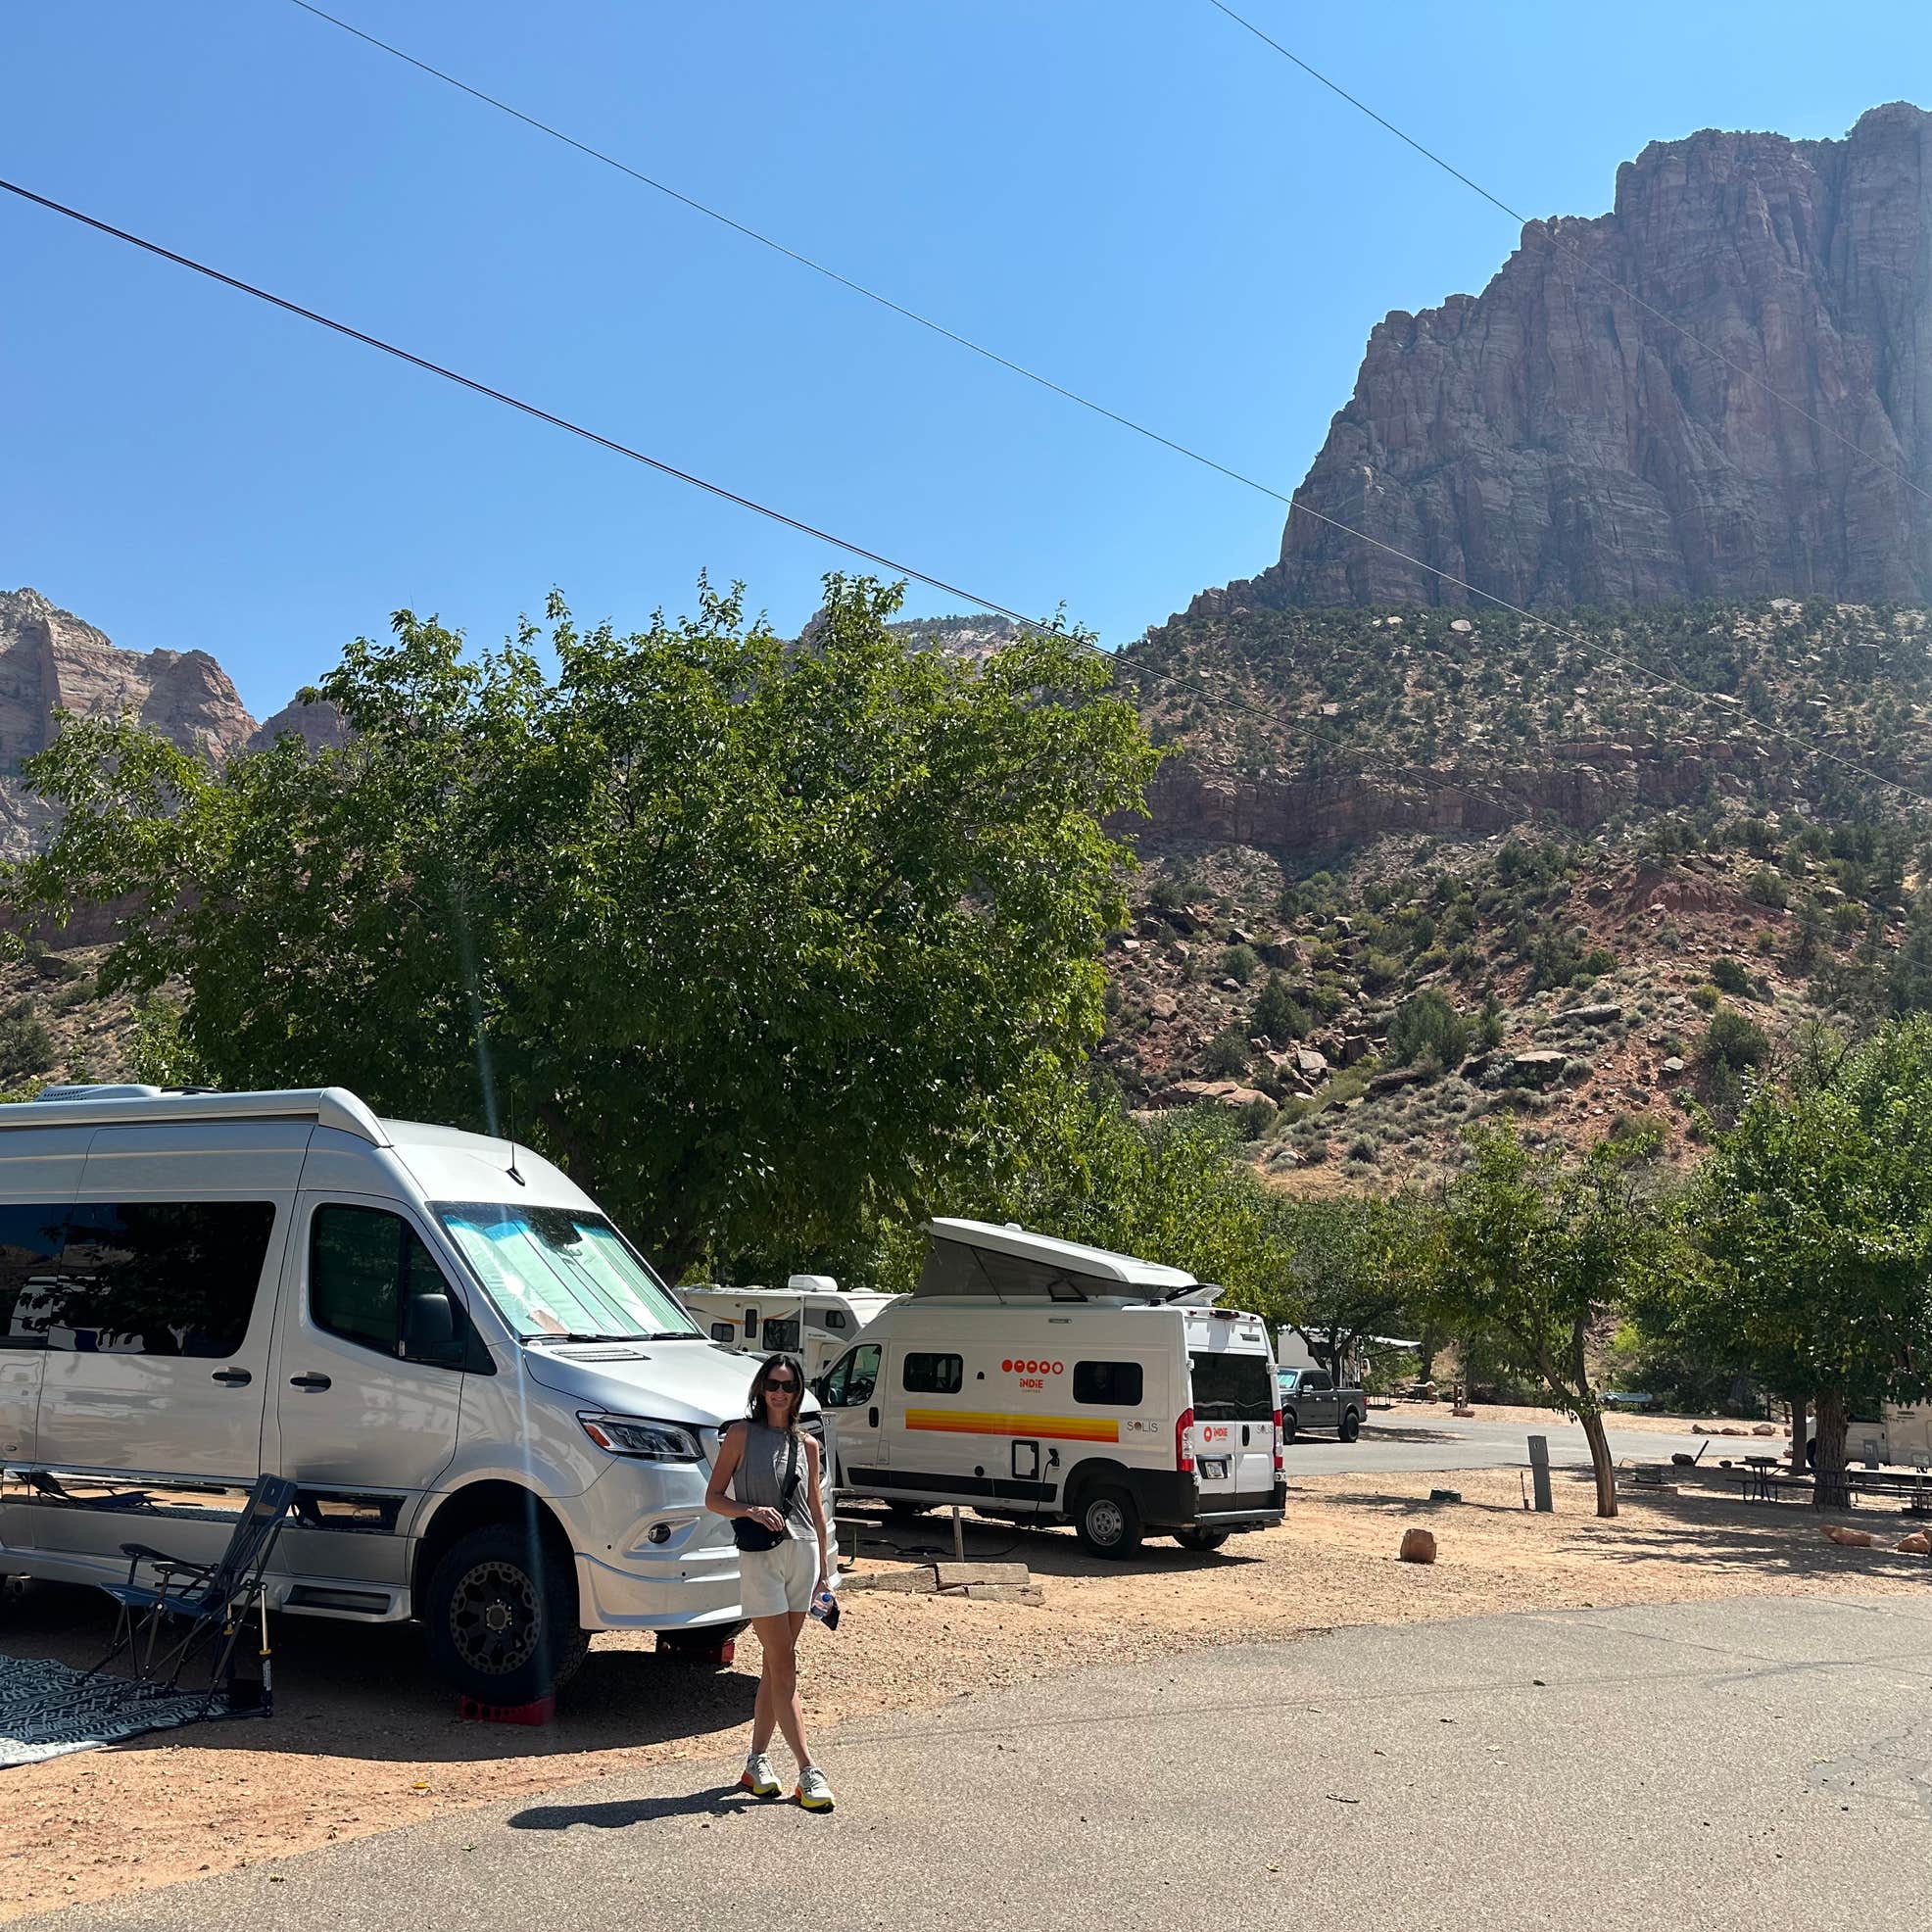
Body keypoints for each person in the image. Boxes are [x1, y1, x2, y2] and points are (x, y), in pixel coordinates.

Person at [705, 1351, 836, 1811]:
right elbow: (713, 1497)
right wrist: (749, 1510)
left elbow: (817, 1513)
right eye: (774, 1384)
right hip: (760, 1557)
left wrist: (824, 1573)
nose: (781, 1393)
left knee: (775, 1665)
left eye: (789, 1386)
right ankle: (807, 1769)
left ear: (799, 1393)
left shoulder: (808, 1445)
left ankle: (756, 1760)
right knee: (785, 1664)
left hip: (801, 1555)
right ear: (761, 1388)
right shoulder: (740, 1435)